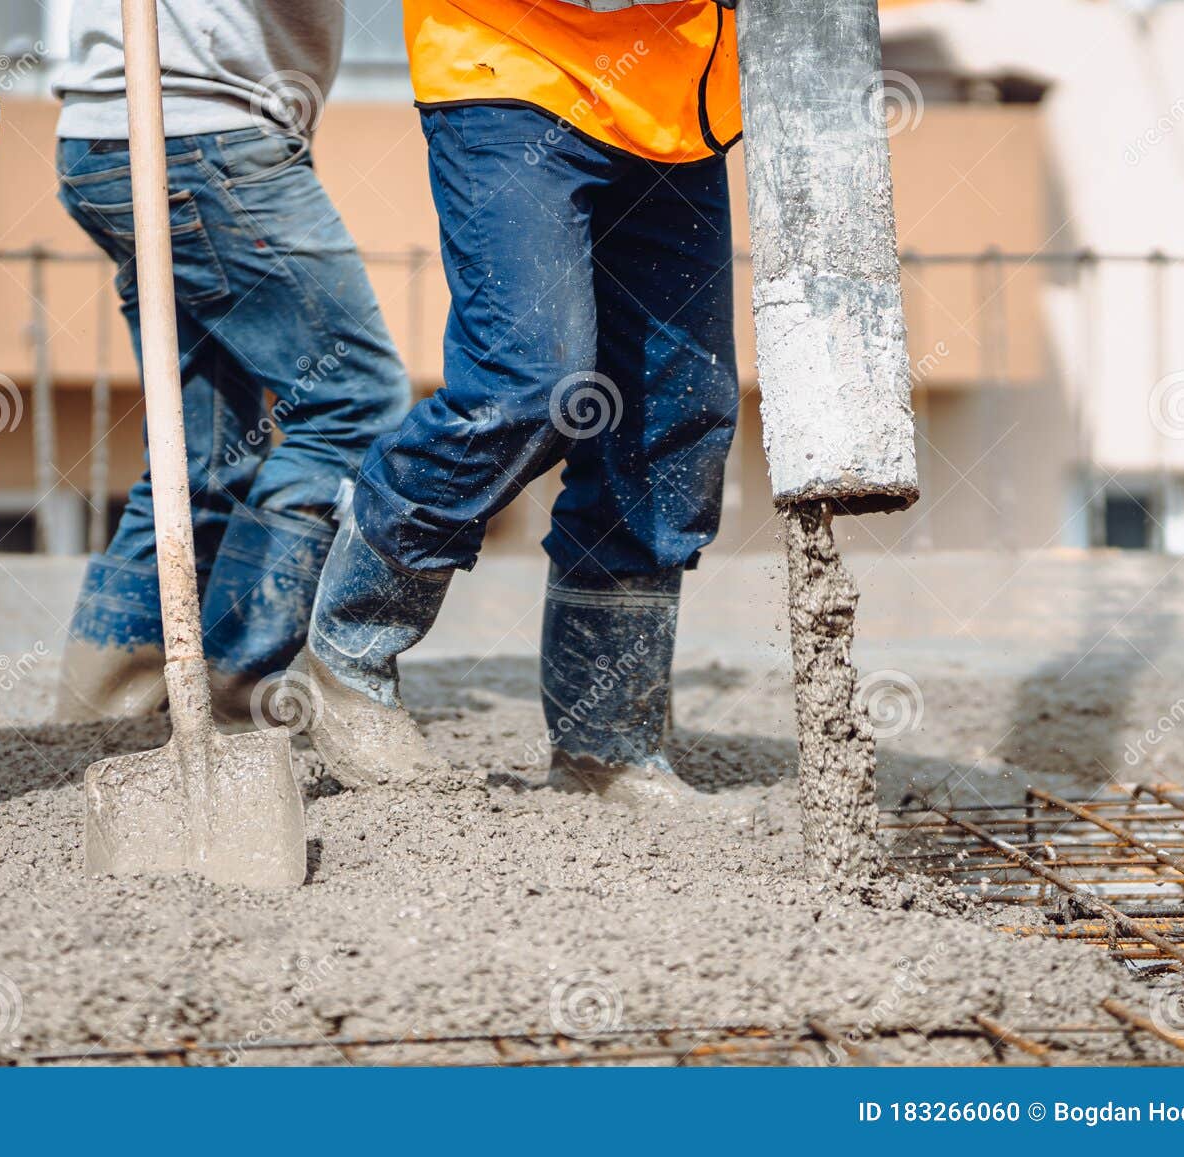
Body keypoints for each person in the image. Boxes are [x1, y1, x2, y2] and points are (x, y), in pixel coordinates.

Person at [302, 0, 743, 805]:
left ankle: (606, 740)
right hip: (509, 61)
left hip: (672, 100)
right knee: (529, 384)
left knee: (675, 418)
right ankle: (352, 647)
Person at [50, 1, 410, 725]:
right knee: (354, 400)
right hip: (201, 127)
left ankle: (108, 700)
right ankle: (240, 682)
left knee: (199, 450)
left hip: (111, 129)